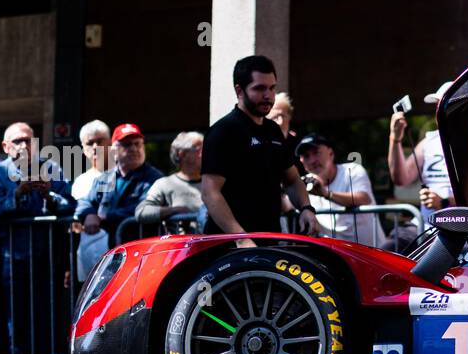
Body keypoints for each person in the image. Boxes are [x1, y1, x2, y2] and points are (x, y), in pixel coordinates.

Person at [0, 122, 74, 354]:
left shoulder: (52, 168)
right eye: (17, 141)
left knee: (48, 319)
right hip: (12, 259)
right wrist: (17, 194)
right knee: (17, 322)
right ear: (6, 147)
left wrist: (49, 194)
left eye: (28, 140)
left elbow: (71, 205)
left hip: (47, 259)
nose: (24, 145)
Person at [201, 54, 320, 246]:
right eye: (259, 88)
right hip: (227, 248)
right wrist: (240, 237)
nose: (268, 95)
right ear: (239, 90)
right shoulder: (223, 131)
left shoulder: (273, 130)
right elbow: (210, 192)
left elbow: (292, 180)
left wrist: (307, 208)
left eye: (272, 88)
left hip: (269, 241)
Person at [75, 123, 163, 245]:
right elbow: (85, 202)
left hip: (143, 247)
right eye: (127, 145)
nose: (133, 149)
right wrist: (88, 214)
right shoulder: (104, 179)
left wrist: (104, 217)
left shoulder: (155, 178)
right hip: (113, 249)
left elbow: (143, 208)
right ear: (114, 149)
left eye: (137, 144)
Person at [297, 134, 383, 248]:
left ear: (331, 153)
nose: (312, 160)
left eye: (316, 152)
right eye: (306, 156)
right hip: (336, 259)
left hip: (372, 255)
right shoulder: (302, 184)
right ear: (301, 162)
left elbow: (364, 198)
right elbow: (285, 205)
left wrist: (326, 194)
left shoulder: (352, 170)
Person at [388, 80, 455, 223]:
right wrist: (395, 139)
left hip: (460, 229)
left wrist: (445, 202)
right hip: (426, 226)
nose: (438, 110)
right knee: (391, 243)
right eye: (437, 105)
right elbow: (401, 179)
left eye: (443, 104)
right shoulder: (429, 141)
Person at [135, 131, 203, 233]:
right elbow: (142, 212)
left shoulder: (213, 184)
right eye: (200, 149)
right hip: (184, 247)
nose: (207, 153)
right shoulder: (164, 184)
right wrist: (174, 210)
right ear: (182, 154)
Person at [70, 120, 111, 203]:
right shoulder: (80, 182)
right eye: (90, 143)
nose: (95, 146)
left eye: (100, 141)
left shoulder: (125, 175)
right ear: (83, 149)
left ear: (110, 143)